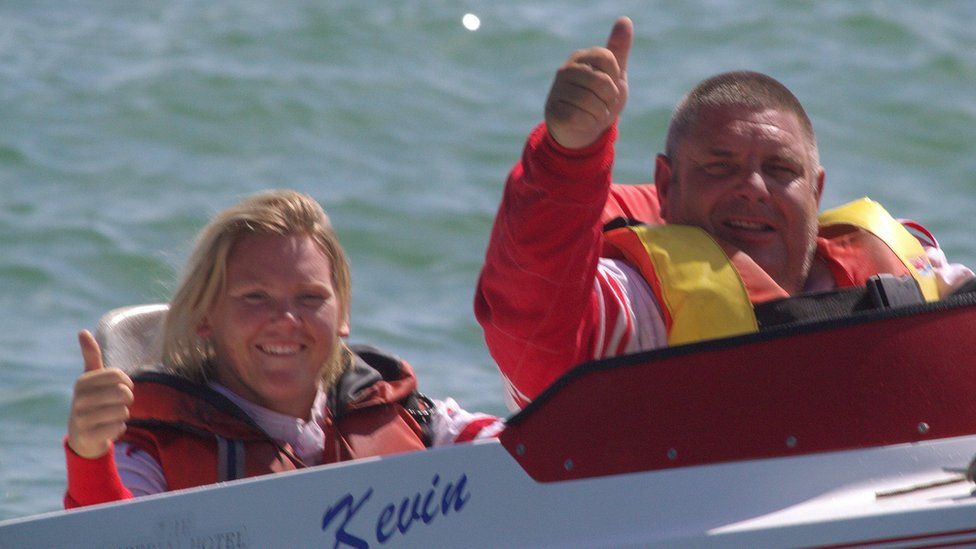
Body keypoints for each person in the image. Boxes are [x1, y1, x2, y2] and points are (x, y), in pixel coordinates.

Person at [475, 17, 973, 410]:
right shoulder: (640, 304)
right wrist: (568, 154)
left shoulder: (915, 271)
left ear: (816, 194)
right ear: (667, 188)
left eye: (781, 169)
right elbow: (533, 330)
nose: (754, 187)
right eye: (721, 166)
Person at [65, 190, 502, 508]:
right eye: (255, 297)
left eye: (310, 298)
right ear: (204, 317)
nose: (286, 319)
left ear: (343, 314)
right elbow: (110, 533)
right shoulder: (150, 447)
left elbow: (528, 450)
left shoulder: (408, 413)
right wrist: (88, 454)